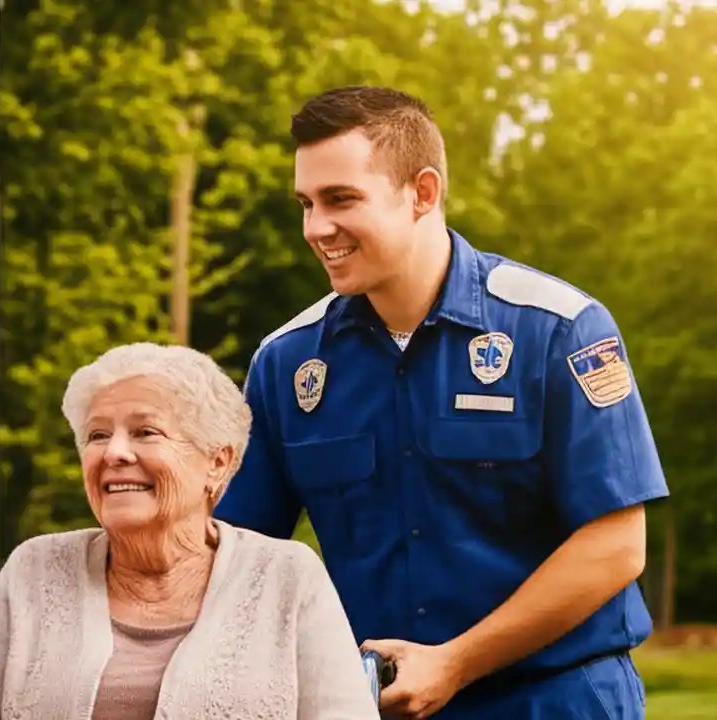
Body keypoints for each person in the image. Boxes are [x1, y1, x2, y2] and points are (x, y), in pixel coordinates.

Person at [214, 85, 670, 719]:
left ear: (422, 193)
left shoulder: (560, 330)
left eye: (341, 199)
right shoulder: (286, 363)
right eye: (306, 203)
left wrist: (455, 662)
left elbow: (617, 545)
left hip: (556, 701)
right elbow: (233, 555)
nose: (316, 228)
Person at [0, 342, 381, 719]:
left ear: (217, 462)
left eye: (145, 432)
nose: (114, 453)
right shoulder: (35, 569)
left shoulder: (287, 575)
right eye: (97, 436)